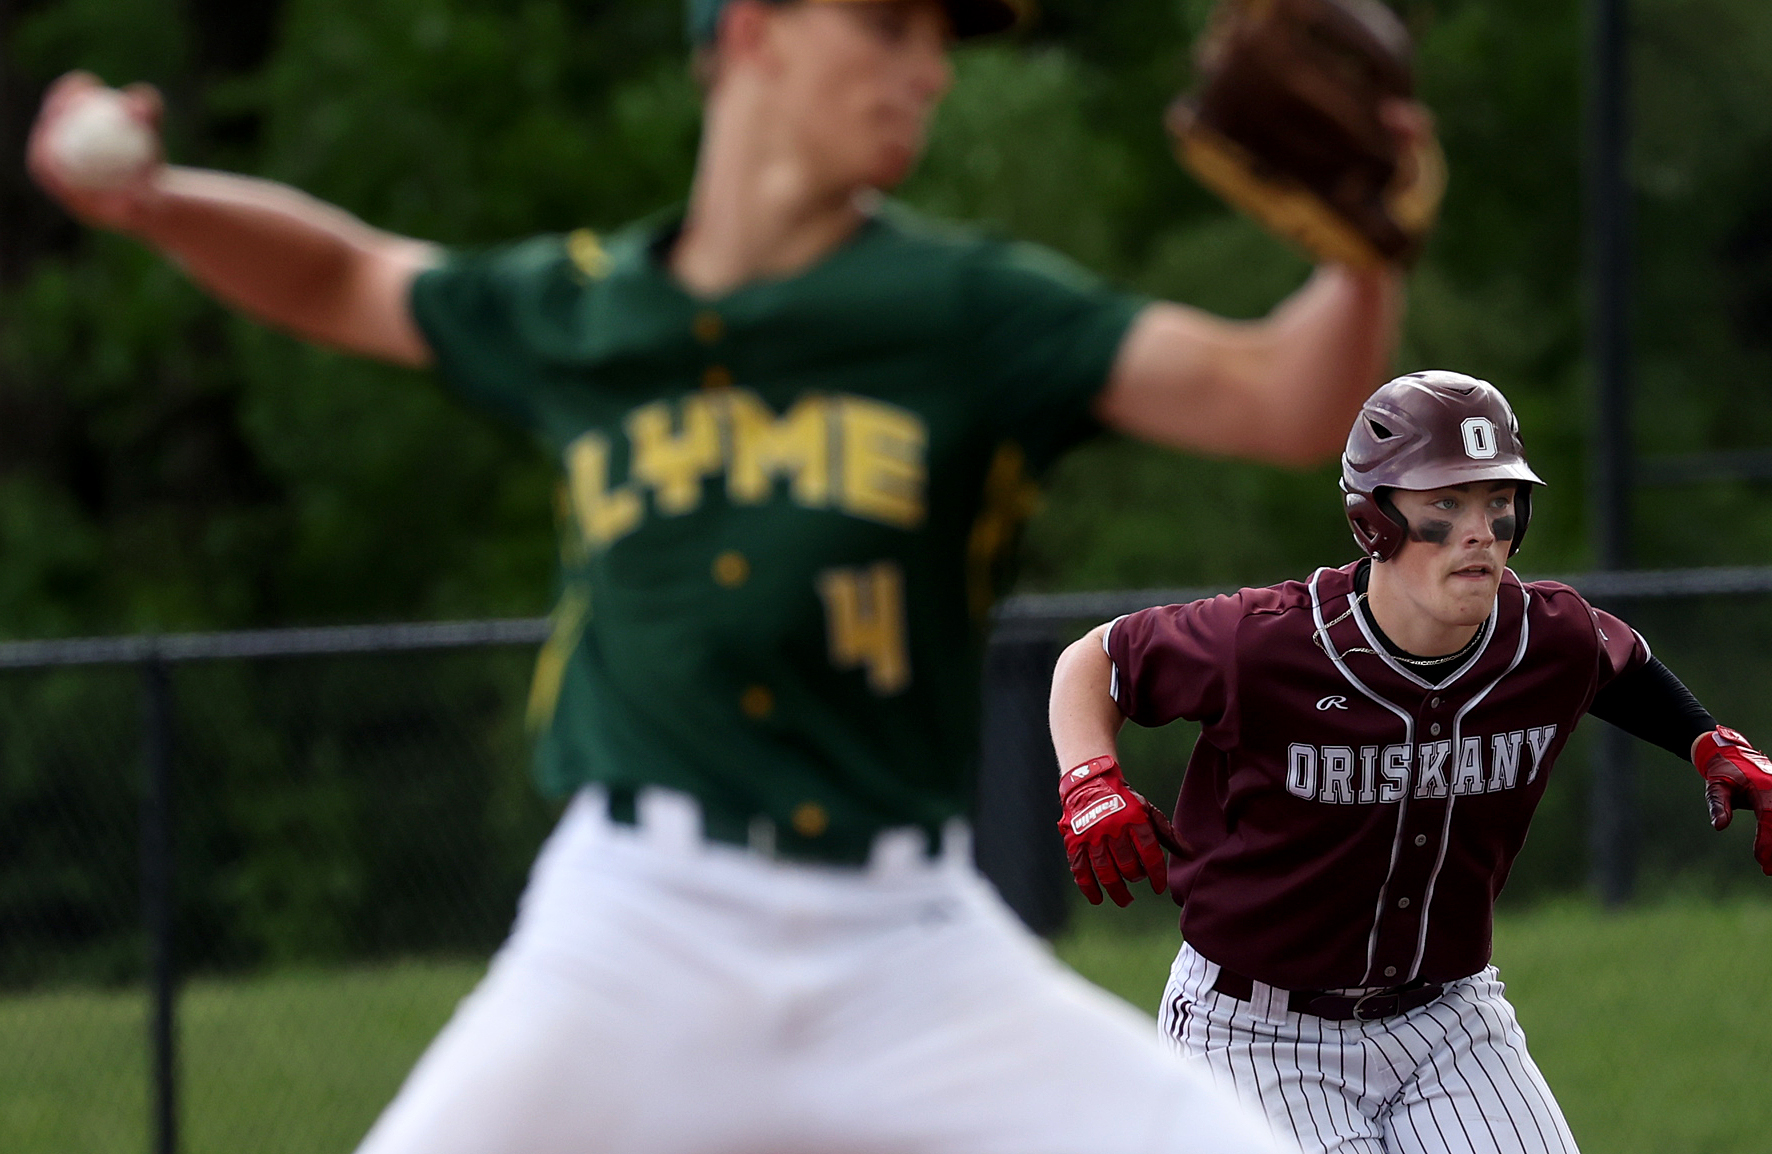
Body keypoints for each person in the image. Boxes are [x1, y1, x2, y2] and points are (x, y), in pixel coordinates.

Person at [27, 1, 1433, 1150]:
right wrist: (157, 203)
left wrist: (1364, 256)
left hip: (905, 947)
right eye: (887, 25)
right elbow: (348, 280)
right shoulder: (590, 310)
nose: (928, 67)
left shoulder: (970, 311)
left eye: (939, 37)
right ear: (755, 29)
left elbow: (1279, 400)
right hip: (632, 929)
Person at [1048, 370, 1772, 1154]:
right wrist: (1090, 782)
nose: (1480, 529)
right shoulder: (1265, 643)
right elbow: (1094, 660)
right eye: (1444, 504)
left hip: (1449, 1020)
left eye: (1496, 501)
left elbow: (1622, 666)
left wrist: (1710, 743)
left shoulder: (1545, 638)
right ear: (1372, 521)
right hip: (1255, 1033)